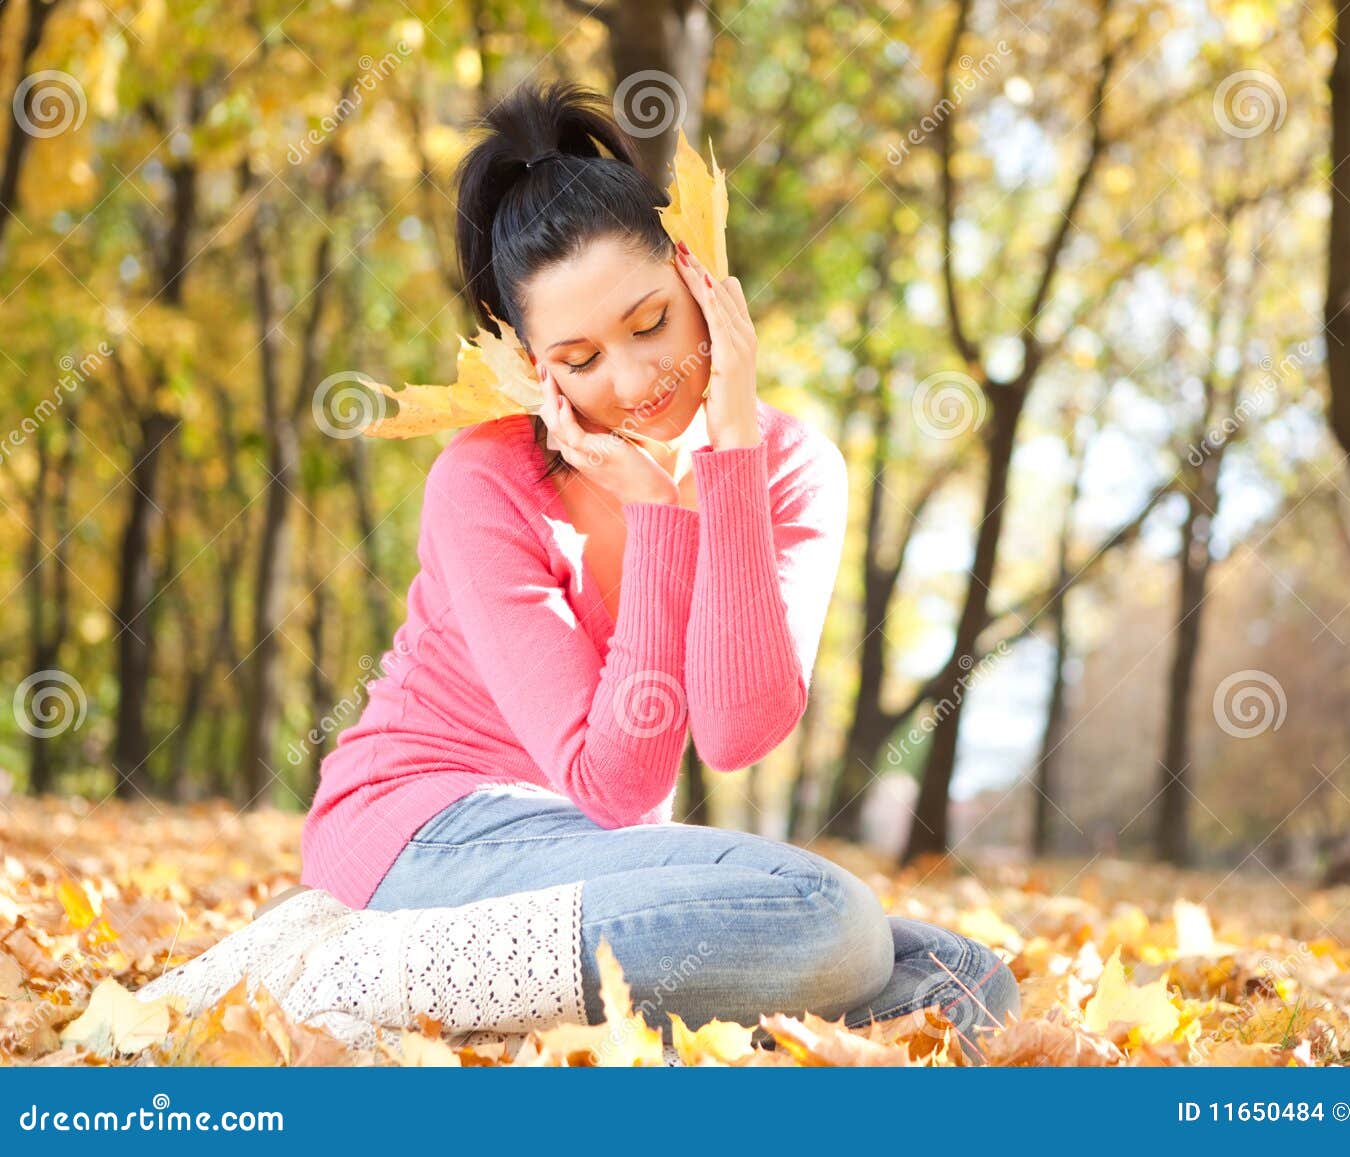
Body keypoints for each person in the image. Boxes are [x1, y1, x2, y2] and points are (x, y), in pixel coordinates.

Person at [282, 77, 1019, 1062]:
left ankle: (625, 1050)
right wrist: (657, 516)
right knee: (832, 921)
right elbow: (614, 784)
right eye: (579, 358)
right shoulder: (484, 480)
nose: (631, 382)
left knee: (965, 979)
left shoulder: (791, 469)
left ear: (697, 276)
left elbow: (737, 725)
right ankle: (367, 969)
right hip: (424, 829)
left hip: (592, 857)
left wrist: (727, 460)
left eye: (648, 322)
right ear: (531, 364)